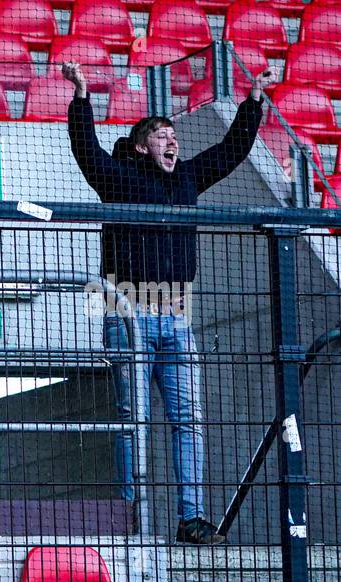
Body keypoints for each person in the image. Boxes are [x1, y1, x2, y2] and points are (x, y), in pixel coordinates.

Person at [64, 61, 273, 544]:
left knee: (188, 421)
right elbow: (86, 150)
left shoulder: (186, 181)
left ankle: (191, 518)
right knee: (131, 420)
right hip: (127, 314)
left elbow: (230, 152)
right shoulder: (117, 178)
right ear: (141, 146)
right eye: (161, 135)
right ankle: (131, 520)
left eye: (173, 134)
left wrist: (252, 104)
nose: (172, 140)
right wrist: (81, 97)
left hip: (178, 317)